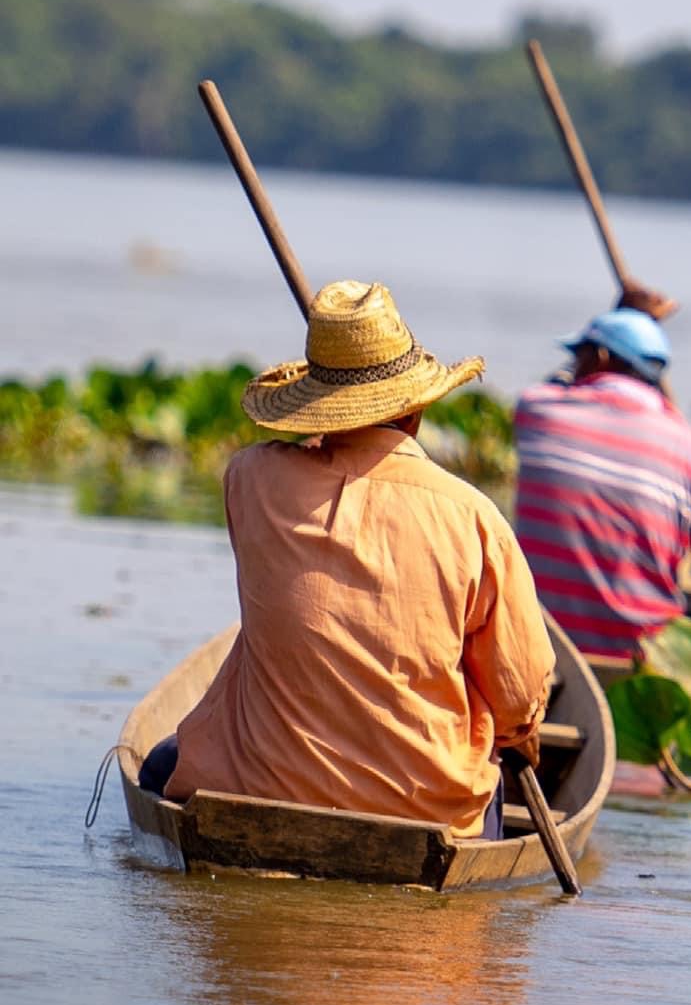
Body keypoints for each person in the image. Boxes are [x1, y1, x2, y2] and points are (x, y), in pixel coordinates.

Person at [138, 280, 555, 840]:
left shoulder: (250, 478)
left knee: (157, 769)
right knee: (493, 777)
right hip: (425, 809)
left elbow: (285, 460)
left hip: (253, 785)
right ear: (417, 412)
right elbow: (519, 695)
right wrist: (520, 734)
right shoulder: (475, 518)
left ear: (316, 410)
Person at [511, 295, 691, 662]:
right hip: (644, 661)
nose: (573, 364)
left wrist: (622, 313)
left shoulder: (536, 410)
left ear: (601, 358)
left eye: (580, 354)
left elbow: (558, 382)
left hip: (540, 648)